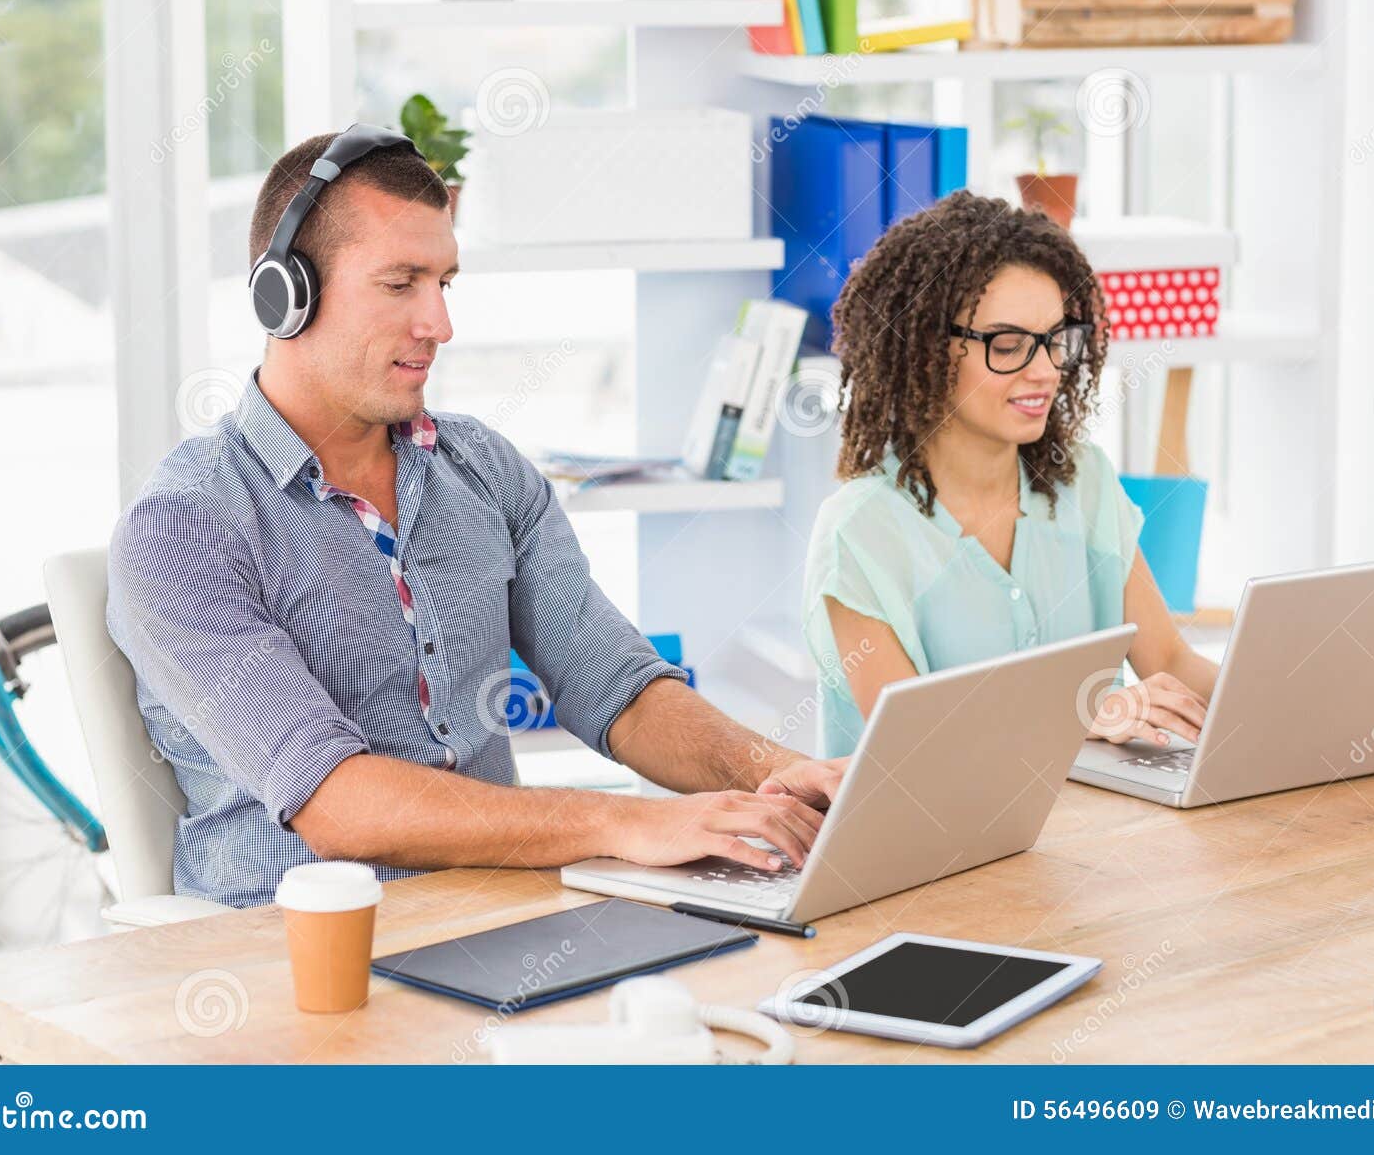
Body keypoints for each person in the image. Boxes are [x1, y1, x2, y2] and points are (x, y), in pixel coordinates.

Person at [107, 128, 841, 908]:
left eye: (444, 283)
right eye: (401, 284)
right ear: (285, 295)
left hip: (501, 922)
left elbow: (618, 690)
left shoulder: (484, 469)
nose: (439, 324)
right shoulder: (184, 529)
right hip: (298, 950)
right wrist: (626, 822)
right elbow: (336, 803)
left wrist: (787, 777)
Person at [803, 190, 1219, 758]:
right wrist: (1080, 712)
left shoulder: (1084, 482)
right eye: (1008, 345)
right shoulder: (859, 532)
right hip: (936, 816)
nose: (1045, 370)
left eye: (1055, 341)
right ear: (925, 348)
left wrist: (1281, 695)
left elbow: (1168, 660)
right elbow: (917, 741)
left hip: (1090, 811)